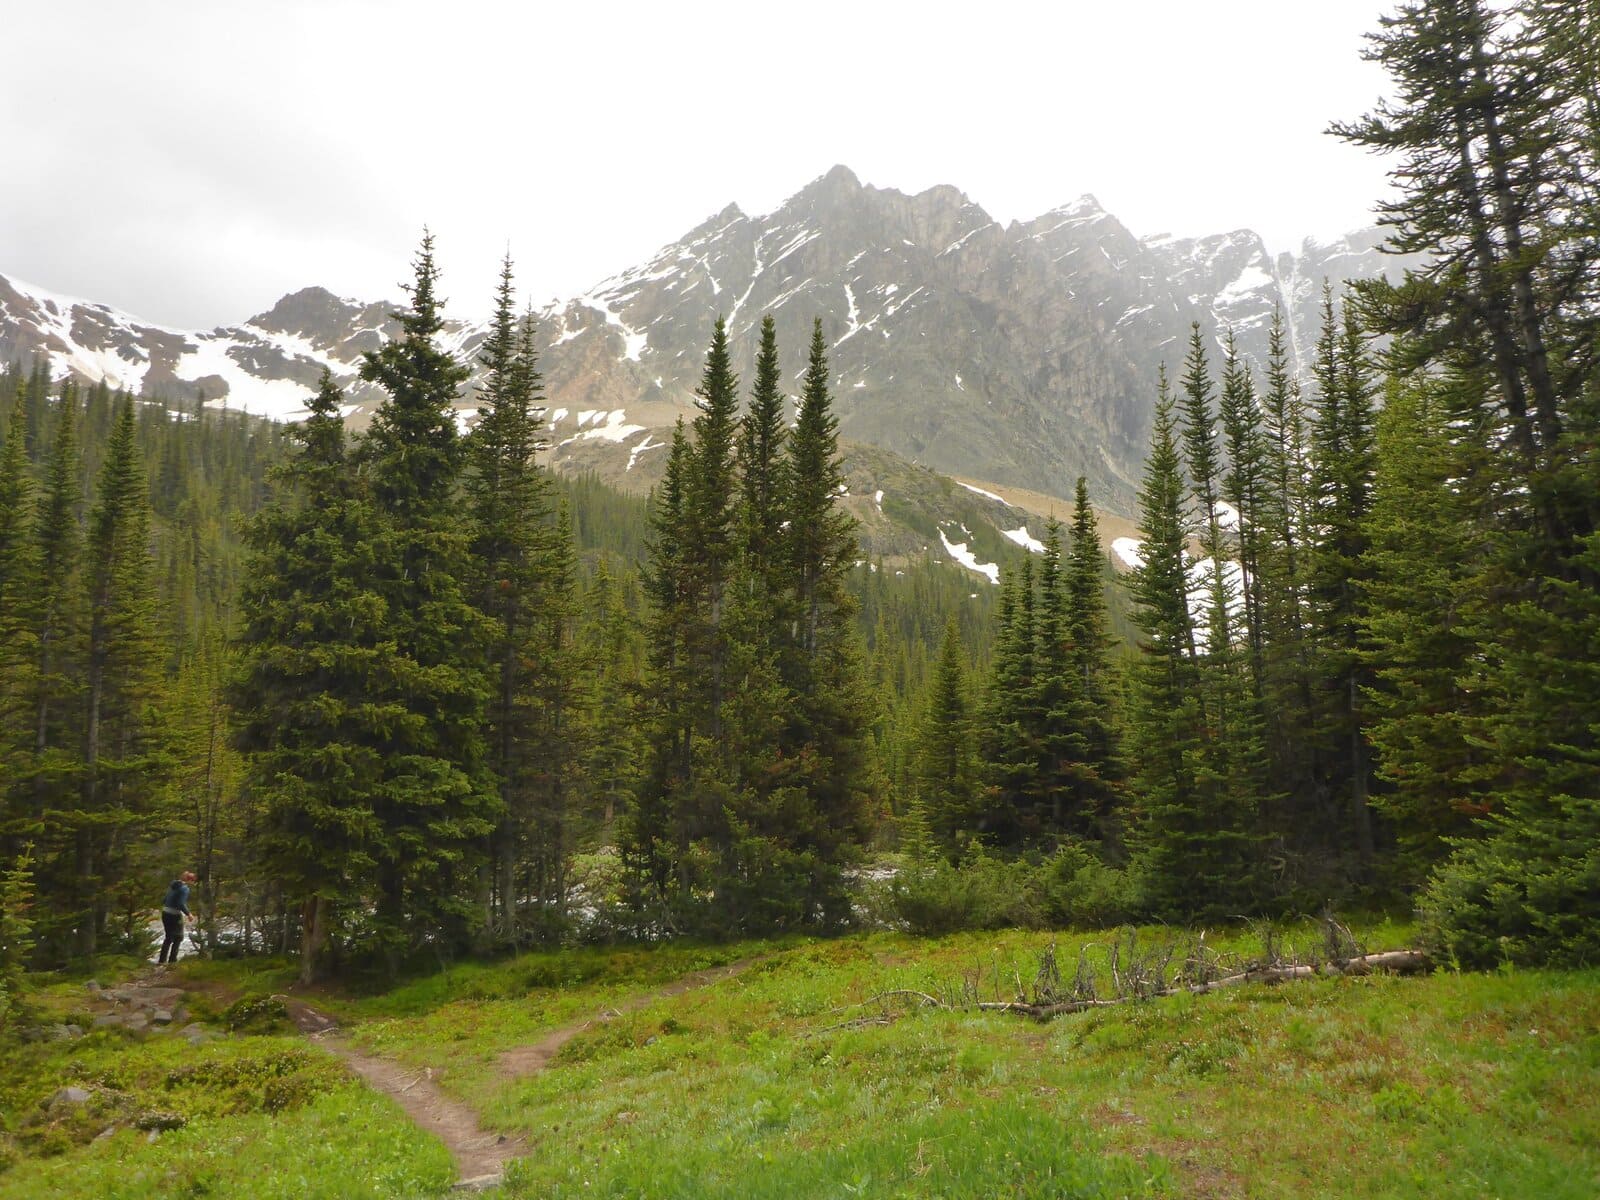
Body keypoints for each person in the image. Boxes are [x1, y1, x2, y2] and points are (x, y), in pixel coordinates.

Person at [158, 871, 198, 964]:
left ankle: (161, 961)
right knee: (178, 937)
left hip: (165, 912)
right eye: (193, 881)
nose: (193, 883)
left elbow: (164, 899)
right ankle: (172, 960)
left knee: (168, 937)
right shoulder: (184, 889)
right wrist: (189, 914)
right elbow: (181, 903)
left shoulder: (173, 885)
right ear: (190, 880)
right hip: (174, 914)